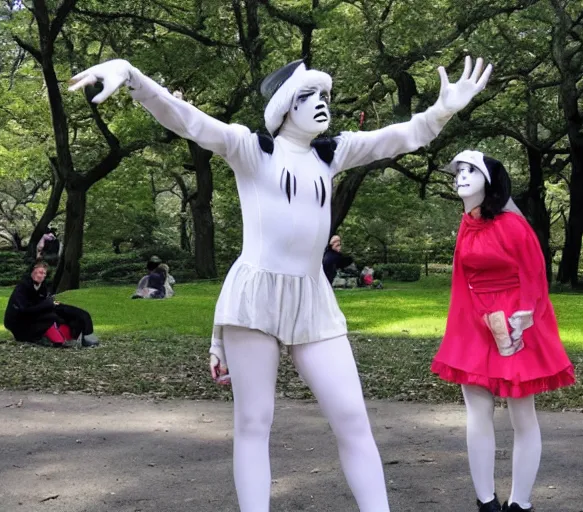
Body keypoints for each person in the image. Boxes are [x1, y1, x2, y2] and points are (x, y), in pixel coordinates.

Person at [69, 55, 491, 511]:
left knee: (352, 418)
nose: (321, 102)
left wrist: (443, 110)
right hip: (255, 299)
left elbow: (401, 136)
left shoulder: (333, 153)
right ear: (286, 106)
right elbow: (188, 120)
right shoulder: (252, 149)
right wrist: (133, 76)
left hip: (313, 300)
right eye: (308, 95)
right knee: (254, 422)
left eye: (324, 94)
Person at [430, 151, 575, 512]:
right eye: (459, 172)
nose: (461, 176)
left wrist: (526, 315)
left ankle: (520, 503)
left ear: (490, 179)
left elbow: (534, 273)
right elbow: (461, 280)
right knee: (477, 411)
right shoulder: (466, 225)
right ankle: (486, 501)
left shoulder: (513, 225)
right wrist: (463, 328)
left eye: (471, 170)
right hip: (475, 323)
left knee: (522, 413)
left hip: (515, 322)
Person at [4, 260, 100, 347]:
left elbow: (44, 303)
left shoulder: (42, 288)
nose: (42, 275)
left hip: (36, 315)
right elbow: (24, 310)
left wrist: (51, 304)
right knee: (52, 317)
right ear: (32, 271)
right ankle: (48, 337)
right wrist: (47, 304)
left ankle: (82, 335)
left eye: (44, 273)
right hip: (21, 323)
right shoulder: (22, 288)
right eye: (40, 272)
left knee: (67, 313)